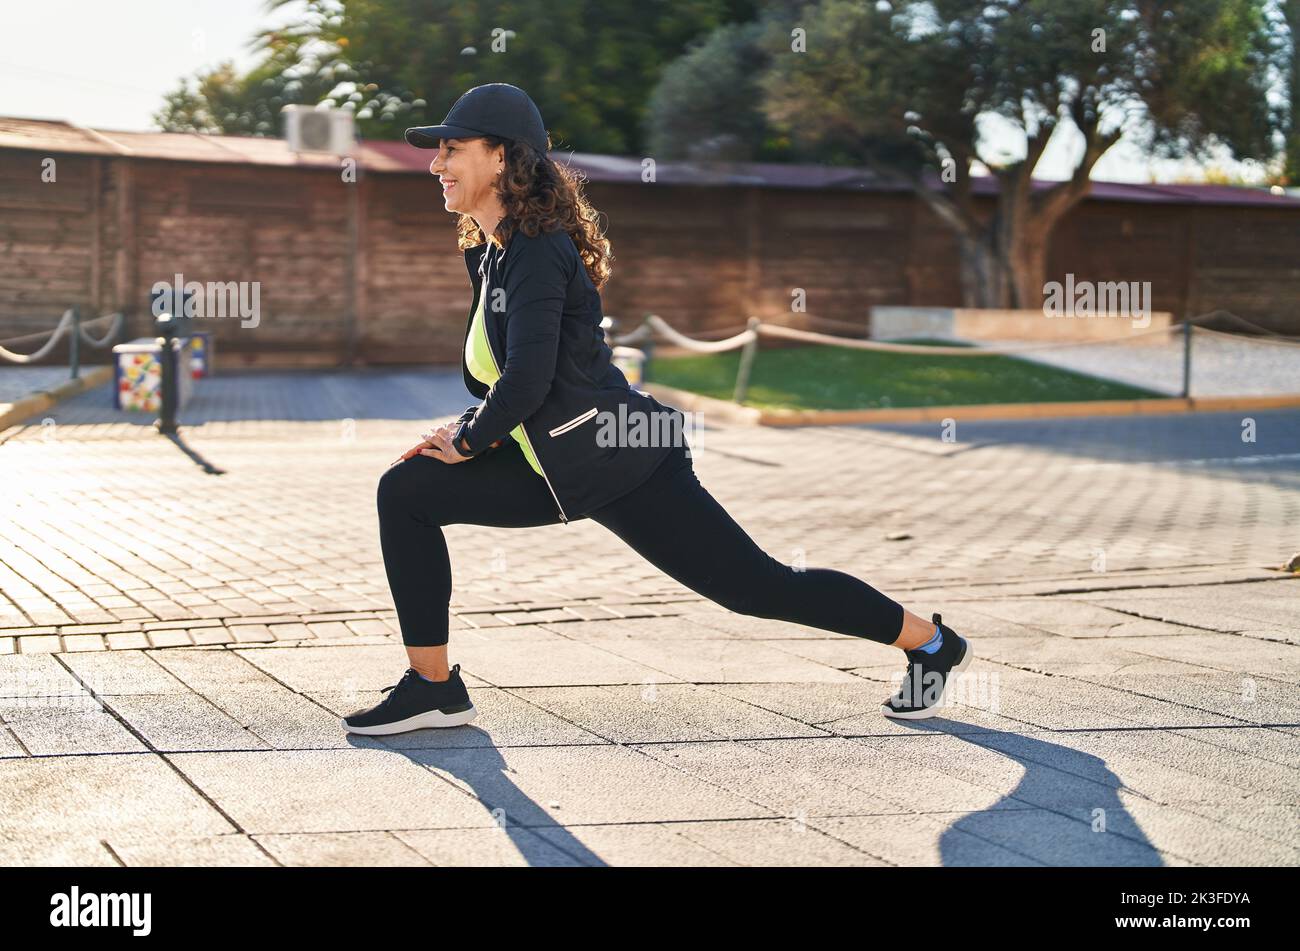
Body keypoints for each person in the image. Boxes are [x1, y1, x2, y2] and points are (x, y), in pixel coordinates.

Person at [341, 83, 973, 736]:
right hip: (556, 462)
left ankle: (930, 644)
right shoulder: (495, 253)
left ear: (501, 157)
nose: (437, 165)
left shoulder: (535, 251)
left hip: (622, 460)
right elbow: (524, 380)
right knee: (408, 491)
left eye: (451, 150)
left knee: (758, 590)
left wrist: (471, 441)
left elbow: (528, 379)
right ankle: (435, 688)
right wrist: (478, 432)